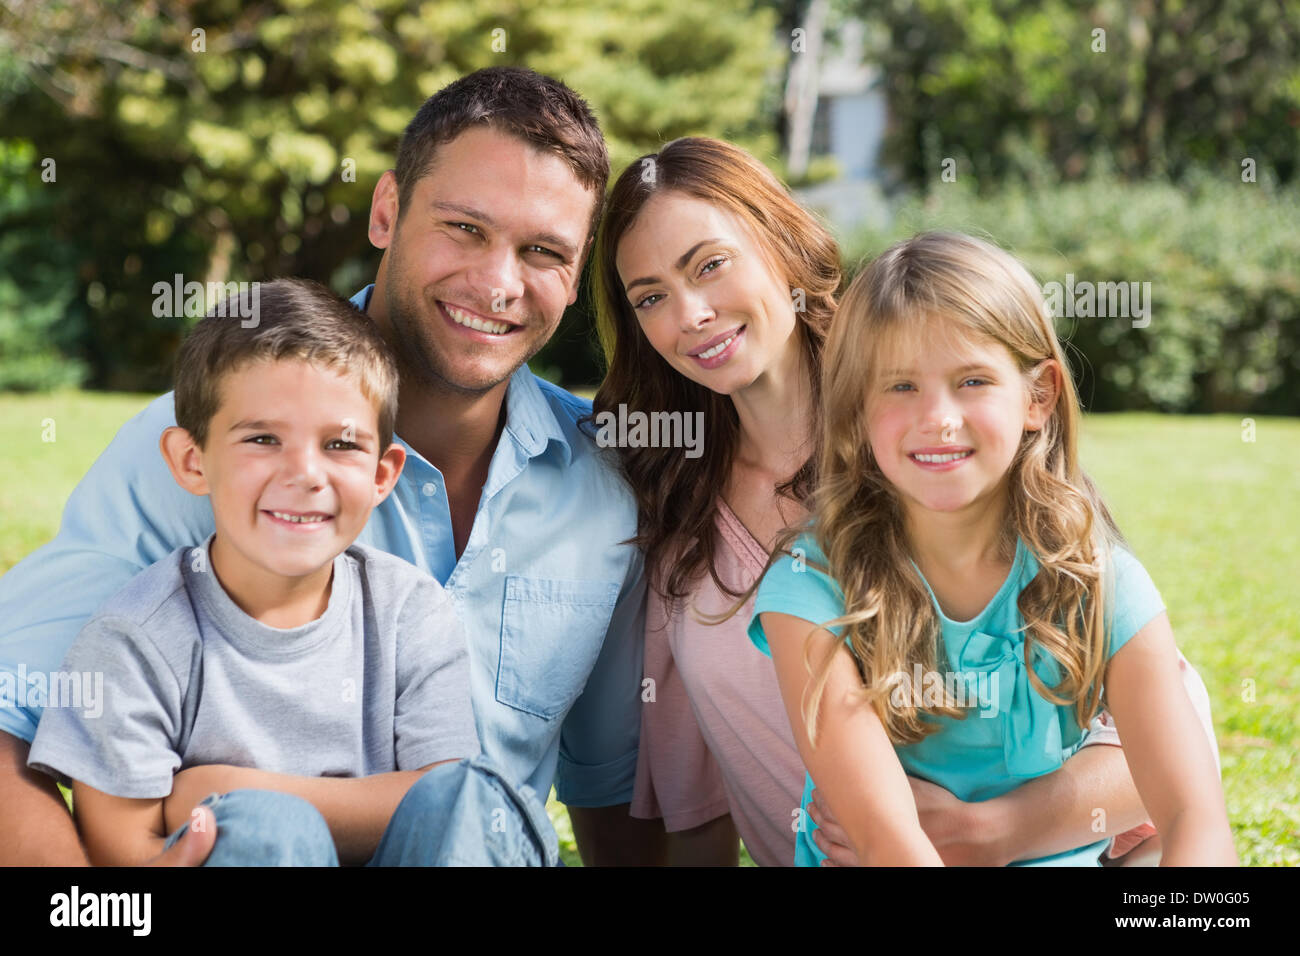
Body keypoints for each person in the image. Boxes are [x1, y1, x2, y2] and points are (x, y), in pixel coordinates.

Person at [0, 67, 656, 866]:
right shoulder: (209, 447)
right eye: (463, 228)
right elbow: (7, 726)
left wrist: (224, 782)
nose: (497, 284)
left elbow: (610, 787)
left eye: (544, 250)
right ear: (387, 211)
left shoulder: (610, 483)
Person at [593, 137, 1219, 866]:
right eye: (651, 297)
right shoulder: (672, 502)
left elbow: (1175, 745)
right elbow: (691, 781)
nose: (691, 312)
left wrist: (987, 834)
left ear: (783, 244)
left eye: (710, 264)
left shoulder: (956, 452)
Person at [25, 278, 559, 866]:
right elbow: (126, 856)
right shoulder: (132, 641)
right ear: (190, 459)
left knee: (481, 802)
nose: (305, 473)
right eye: (263, 438)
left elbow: (448, 803)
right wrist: (253, 816)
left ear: (383, 475)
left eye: (340, 445)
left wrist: (223, 788)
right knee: (263, 832)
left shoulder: (411, 611)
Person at [749, 231, 1236, 865]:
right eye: (900, 387)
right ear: (856, 412)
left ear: (1038, 397)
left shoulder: (1100, 578)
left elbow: (1194, 813)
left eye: (972, 380)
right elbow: (887, 841)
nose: (938, 417)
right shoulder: (811, 582)